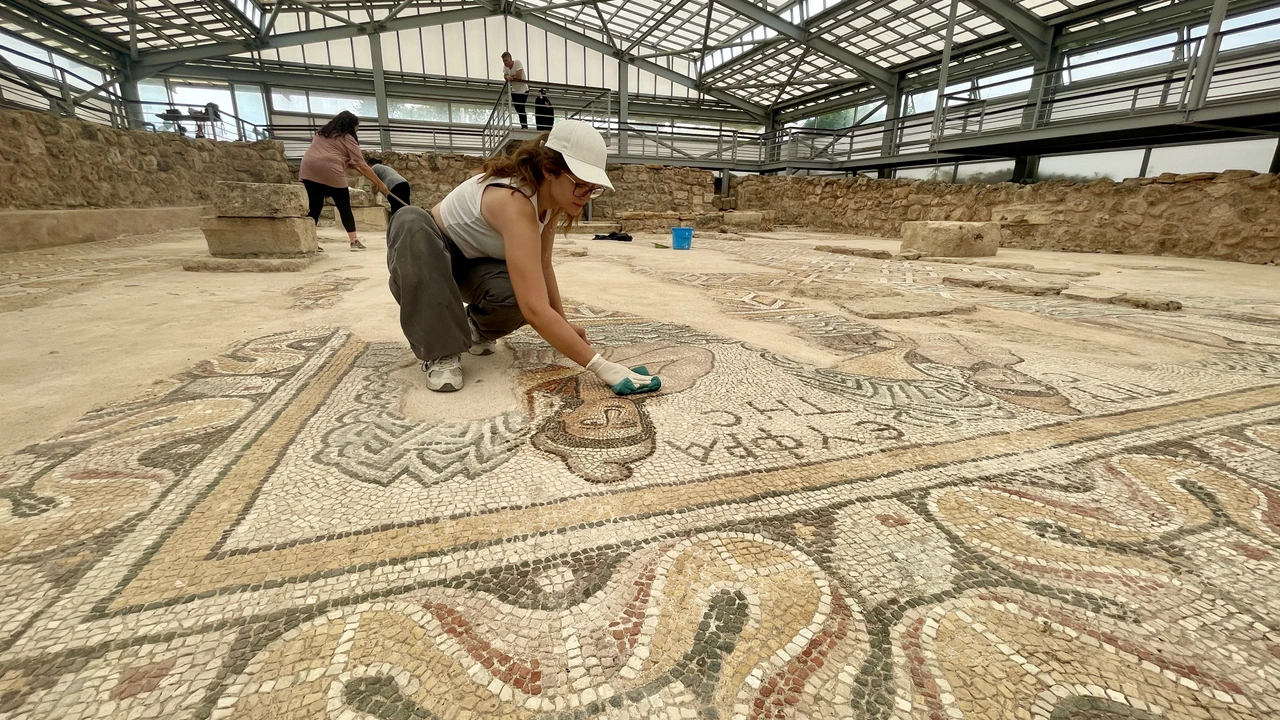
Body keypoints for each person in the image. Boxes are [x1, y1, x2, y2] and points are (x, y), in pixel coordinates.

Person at [385, 120, 661, 396]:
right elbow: (535, 310)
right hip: (428, 258)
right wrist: (602, 367)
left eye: (593, 189)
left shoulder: (549, 206)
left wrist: (563, 324)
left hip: (474, 267)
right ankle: (441, 350)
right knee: (410, 219)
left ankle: (473, 329)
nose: (587, 197)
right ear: (550, 170)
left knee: (522, 290)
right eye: (581, 186)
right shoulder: (514, 201)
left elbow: (543, 267)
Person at [298, 111, 390, 251]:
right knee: (344, 207)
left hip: (309, 169)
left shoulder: (322, 133)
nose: (357, 130)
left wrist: (346, 163)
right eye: (357, 127)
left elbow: (327, 153)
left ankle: (310, 243)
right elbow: (363, 166)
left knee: (314, 207)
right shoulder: (347, 137)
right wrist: (379, 183)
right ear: (351, 126)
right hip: (331, 171)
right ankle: (354, 242)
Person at [501, 52, 529, 129]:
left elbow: (519, 76)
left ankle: (524, 127)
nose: (505, 63)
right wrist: (507, 76)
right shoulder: (505, 67)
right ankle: (523, 126)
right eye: (504, 61)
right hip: (514, 91)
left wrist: (510, 77)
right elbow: (505, 75)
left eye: (506, 60)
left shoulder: (517, 62)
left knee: (521, 108)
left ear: (510, 59)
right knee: (518, 110)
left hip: (523, 90)